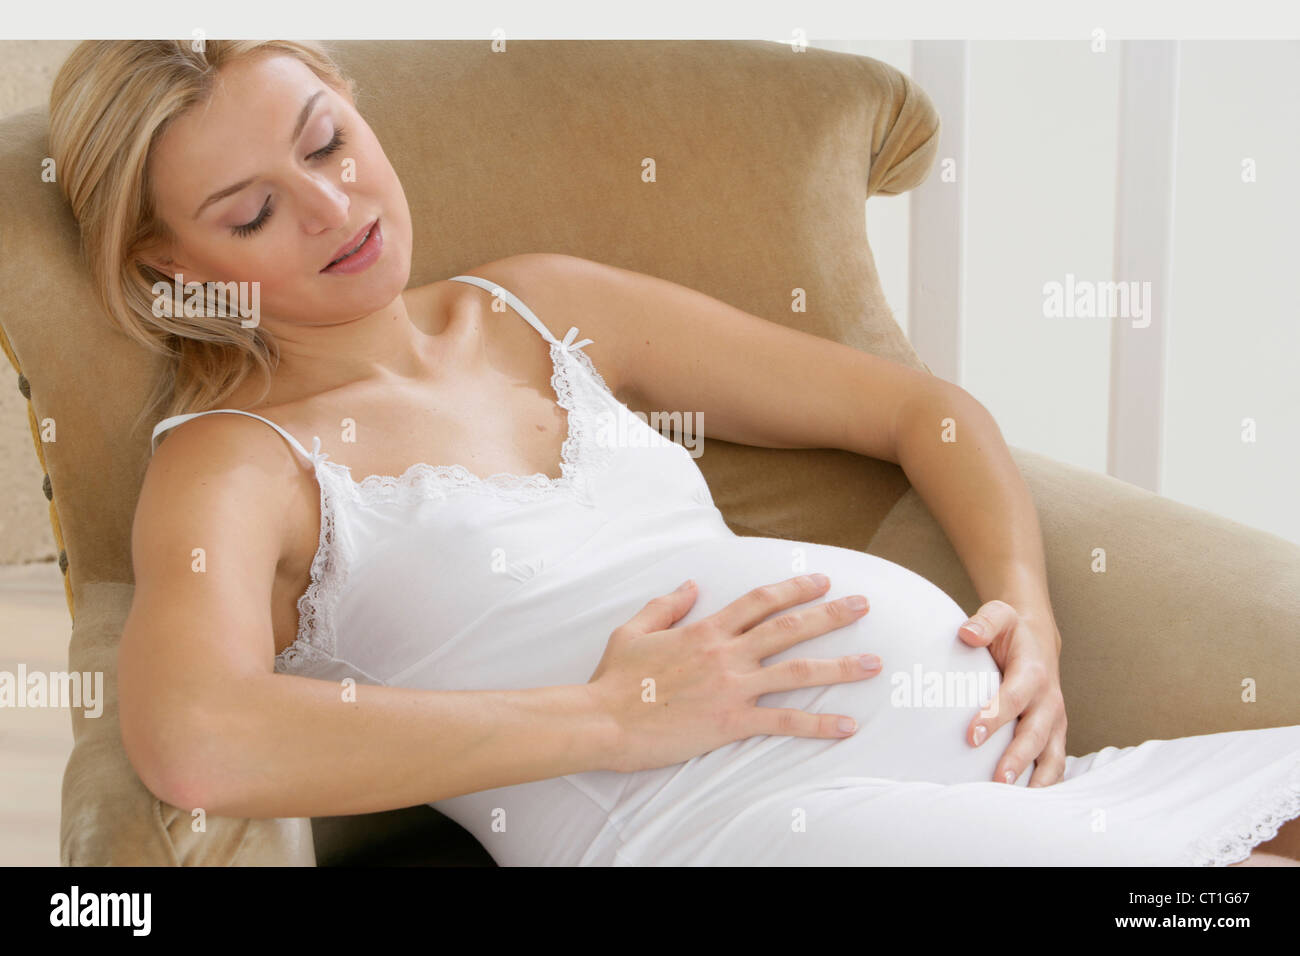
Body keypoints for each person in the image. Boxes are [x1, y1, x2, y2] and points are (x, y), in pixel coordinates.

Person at [49, 39, 1300, 866]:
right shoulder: (235, 461)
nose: (333, 208)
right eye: (253, 212)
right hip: (728, 830)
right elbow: (194, 735)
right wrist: (605, 713)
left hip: (1012, 776)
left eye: (325, 142)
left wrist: (1025, 612)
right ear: (172, 265)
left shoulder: (537, 306)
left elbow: (923, 413)